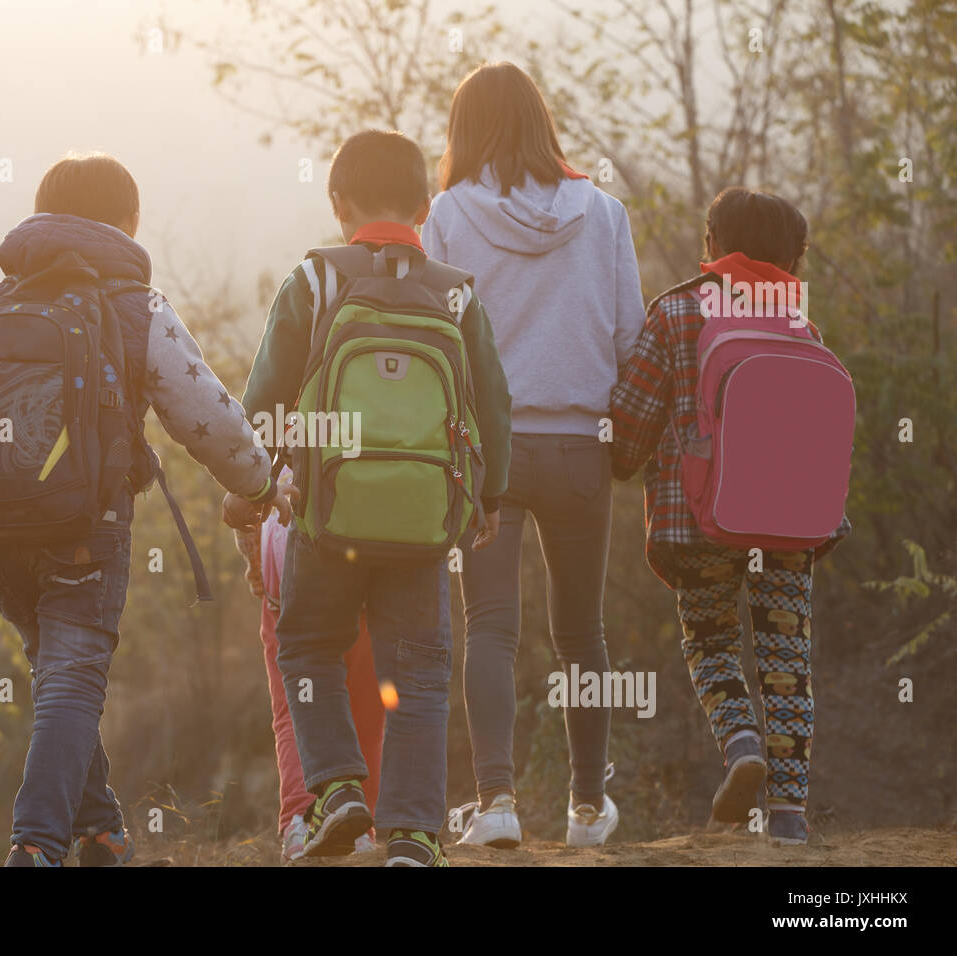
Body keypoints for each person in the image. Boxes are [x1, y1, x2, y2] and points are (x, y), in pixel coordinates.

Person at [0, 152, 291, 867]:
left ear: (41, 218)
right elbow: (207, 417)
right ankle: (36, 846)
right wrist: (259, 485)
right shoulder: (136, 306)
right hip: (84, 534)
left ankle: (101, 834)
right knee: (71, 686)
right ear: (129, 223)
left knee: (60, 688)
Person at [226, 129, 513, 867]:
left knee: (308, 647)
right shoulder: (456, 291)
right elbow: (493, 404)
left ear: (337, 203)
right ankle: (415, 834)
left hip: (327, 519)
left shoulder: (316, 279)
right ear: (425, 205)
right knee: (417, 672)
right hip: (425, 527)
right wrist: (488, 498)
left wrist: (257, 490)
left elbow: (261, 403)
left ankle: (338, 788)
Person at [423, 62, 643, 847]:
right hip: (585, 444)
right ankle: (588, 810)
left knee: (489, 626)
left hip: (491, 452)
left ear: (464, 131)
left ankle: (498, 806)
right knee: (582, 632)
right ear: (541, 121)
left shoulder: (447, 214)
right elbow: (629, 339)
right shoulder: (607, 213)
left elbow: (440, 342)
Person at [608, 186, 850, 846]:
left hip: (700, 522)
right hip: (791, 525)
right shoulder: (803, 327)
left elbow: (626, 433)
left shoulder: (677, 312)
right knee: (787, 660)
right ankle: (790, 817)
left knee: (712, 643)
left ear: (712, 244)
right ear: (791, 262)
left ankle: (741, 743)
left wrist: (626, 461)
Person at [232, 467, 385, 862]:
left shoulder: (273, 409)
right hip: (366, 578)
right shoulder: (382, 409)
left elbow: (247, 476)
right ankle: (360, 829)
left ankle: (301, 821)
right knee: (365, 712)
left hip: (287, 582)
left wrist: (255, 569)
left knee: (292, 708)